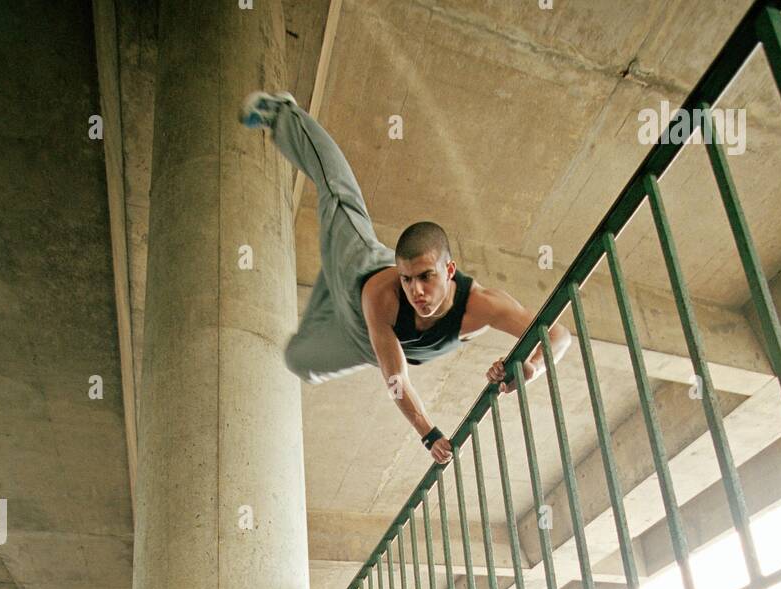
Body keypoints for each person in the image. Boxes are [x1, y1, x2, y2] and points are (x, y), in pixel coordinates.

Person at [239, 92, 571, 464]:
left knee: (300, 361)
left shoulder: (483, 306)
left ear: (449, 270)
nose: (415, 290)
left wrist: (531, 368)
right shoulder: (384, 294)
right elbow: (396, 378)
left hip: (362, 343)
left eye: (425, 277)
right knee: (338, 194)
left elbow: (558, 336)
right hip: (357, 276)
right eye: (408, 279)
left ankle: (326, 282)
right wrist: (428, 433)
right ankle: (283, 114)